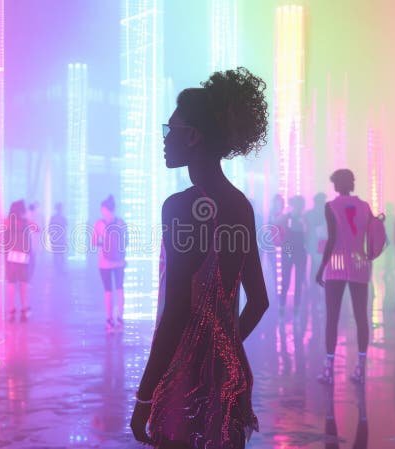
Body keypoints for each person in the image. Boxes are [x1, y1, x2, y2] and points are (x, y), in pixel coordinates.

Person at [131, 67, 270, 448]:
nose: (163, 139)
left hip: (184, 385)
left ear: (192, 136)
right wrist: (224, 345)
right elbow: (258, 301)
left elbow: (176, 310)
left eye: (169, 129)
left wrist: (145, 396)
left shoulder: (180, 207)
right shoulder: (241, 206)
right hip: (232, 380)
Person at [314, 169, 373, 385]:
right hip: (359, 264)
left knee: (332, 318)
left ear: (337, 185)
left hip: (336, 266)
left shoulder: (331, 207)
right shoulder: (365, 207)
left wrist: (321, 268)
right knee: (360, 318)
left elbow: (331, 239)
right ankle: (360, 368)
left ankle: (329, 370)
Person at [91, 195, 127, 331]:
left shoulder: (99, 224)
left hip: (104, 263)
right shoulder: (121, 222)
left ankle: (109, 319)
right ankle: (120, 318)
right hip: (120, 262)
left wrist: (102, 242)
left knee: (108, 290)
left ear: (105, 209)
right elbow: (126, 242)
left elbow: (93, 243)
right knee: (120, 288)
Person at [3, 200, 37, 321]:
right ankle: (24, 308)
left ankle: (11, 310)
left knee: (11, 284)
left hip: (10, 257)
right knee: (23, 283)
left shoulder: (6, 221)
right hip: (23, 257)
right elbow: (38, 228)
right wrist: (27, 218)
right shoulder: (25, 222)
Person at [279, 195, 308, 314]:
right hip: (289, 248)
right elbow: (278, 224)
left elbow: (307, 233)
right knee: (285, 279)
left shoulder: (304, 218)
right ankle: (282, 306)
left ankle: (296, 308)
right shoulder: (287, 216)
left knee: (298, 281)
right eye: (296, 204)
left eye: (299, 204)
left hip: (299, 250)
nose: (298, 206)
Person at [305, 192, 328, 294]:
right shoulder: (309, 215)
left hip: (322, 246)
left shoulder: (327, 214)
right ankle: (315, 294)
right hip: (316, 247)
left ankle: (317, 294)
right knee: (315, 271)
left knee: (318, 271)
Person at [48, 202, 68, 274]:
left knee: (56, 255)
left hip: (55, 239)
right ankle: (60, 270)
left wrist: (51, 237)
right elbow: (65, 228)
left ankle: (57, 270)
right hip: (61, 239)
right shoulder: (63, 218)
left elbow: (50, 229)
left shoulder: (53, 218)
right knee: (61, 255)